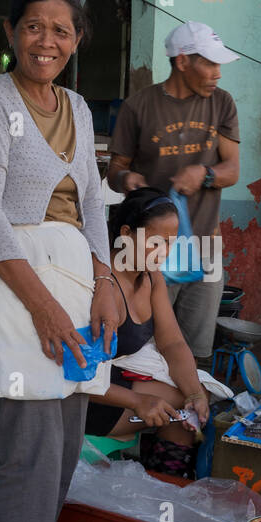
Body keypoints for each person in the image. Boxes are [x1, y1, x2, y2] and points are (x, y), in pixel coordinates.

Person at [0, 0, 122, 522]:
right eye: (33, 27)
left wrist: (106, 282)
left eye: (60, 30)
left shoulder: (76, 105)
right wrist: (44, 307)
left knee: (68, 439)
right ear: (10, 32)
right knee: (32, 447)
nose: (45, 41)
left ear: (77, 40)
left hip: (74, 281)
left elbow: (94, 200)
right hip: (17, 286)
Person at [109, 21, 242, 360]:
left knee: (196, 351)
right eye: (209, 64)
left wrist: (205, 173)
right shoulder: (138, 107)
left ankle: (192, 409)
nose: (217, 74)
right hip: (148, 247)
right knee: (142, 347)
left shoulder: (222, 104)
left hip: (206, 244)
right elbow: (114, 170)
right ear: (182, 61)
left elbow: (232, 170)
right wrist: (126, 179)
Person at [86, 188, 212, 477]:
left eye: (169, 243)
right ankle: (163, 484)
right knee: (178, 409)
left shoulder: (152, 277)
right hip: (87, 395)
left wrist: (195, 393)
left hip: (117, 381)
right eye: (154, 242)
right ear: (127, 233)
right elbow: (81, 373)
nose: (164, 253)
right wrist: (137, 402)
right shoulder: (103, 283)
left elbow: (173, 343)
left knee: (195, 399)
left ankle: (163, 489)